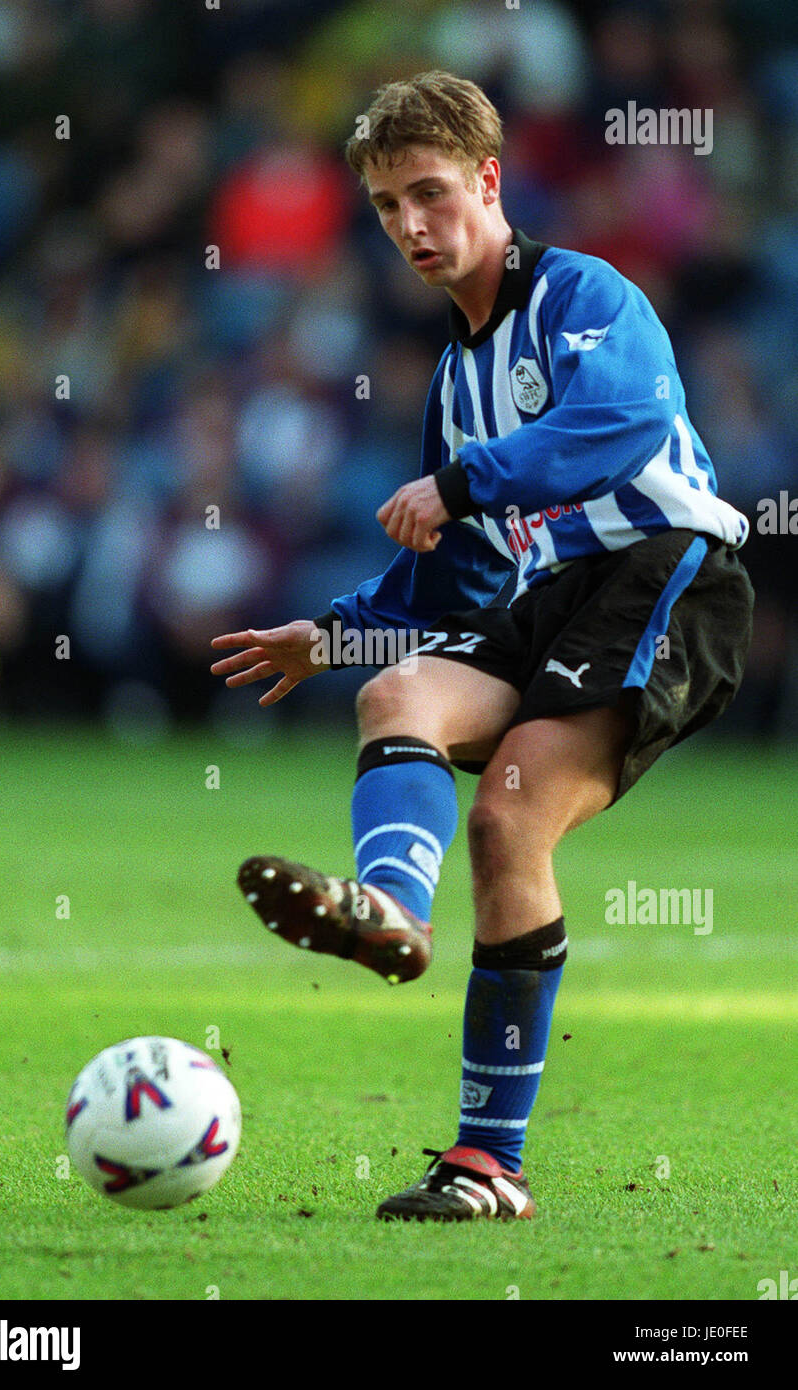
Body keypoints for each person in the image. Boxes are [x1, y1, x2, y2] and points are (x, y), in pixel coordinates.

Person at [210, 71, 753, 1222]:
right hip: (550, 594)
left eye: (429, 193)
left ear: (489, 181)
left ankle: (486, 1157)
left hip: (665, 572)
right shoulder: (455, 381)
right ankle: (396, 915)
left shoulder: (581, 295)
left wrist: (462, 484)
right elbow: (449, 575)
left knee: (511, 811)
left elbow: (622, 420)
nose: (410, 225)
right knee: (395, 693)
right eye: (386, 207)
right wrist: (333, 634)